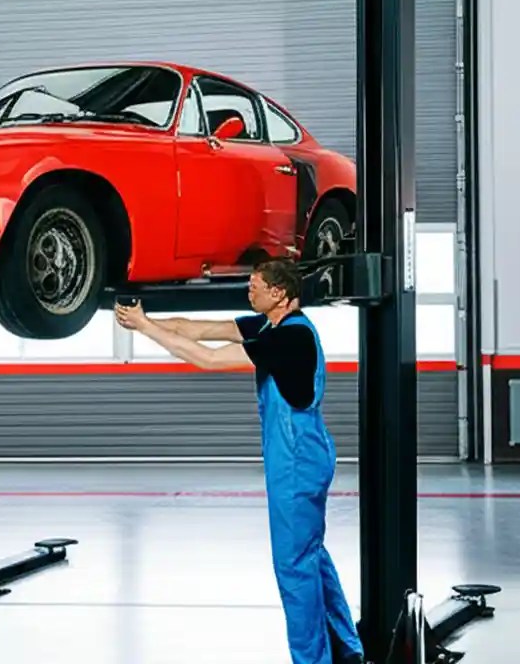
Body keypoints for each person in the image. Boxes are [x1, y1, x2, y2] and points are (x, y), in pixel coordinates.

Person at [115, 258, 364, 664]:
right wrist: (147, 317)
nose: (250, 291)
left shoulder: (290, 339)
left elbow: (208, 359)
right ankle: (347, 648)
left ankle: (314, 660)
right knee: (311, 555)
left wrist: (145, 330)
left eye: (256, 285)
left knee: (293, 567)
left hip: (298, 463)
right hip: (299, 456)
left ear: (279, 293)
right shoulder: (271, 326)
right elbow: (199, 331)